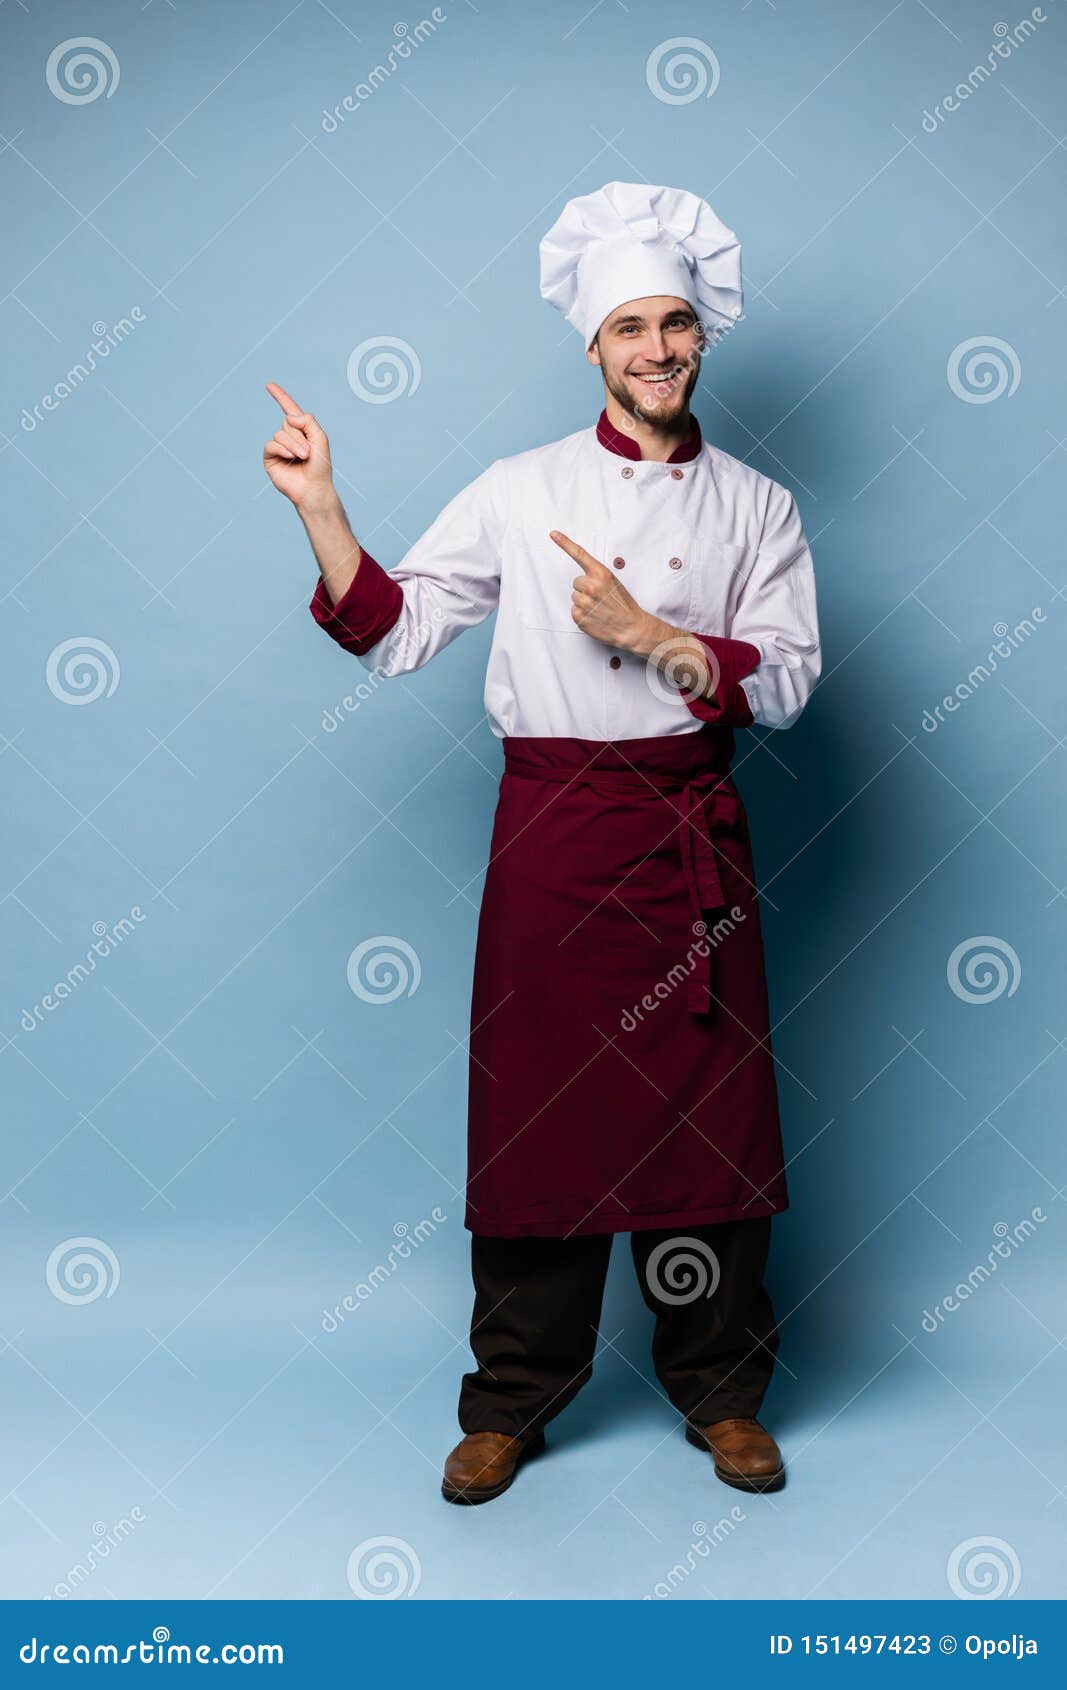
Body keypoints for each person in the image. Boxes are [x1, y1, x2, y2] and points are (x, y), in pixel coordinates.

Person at [263, 181, 821, 1505]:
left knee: (709, 1127)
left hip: (693, 844)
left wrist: (652, 637)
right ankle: (513, 1396)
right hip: (555, 844)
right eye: (630, 324)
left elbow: (792, 679)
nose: (657, 347)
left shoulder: (758, 507)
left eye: (676, 322)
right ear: (593, 345)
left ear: (703, 336)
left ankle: (722, 1386)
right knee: (541, 1129)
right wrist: (323, 509)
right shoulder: (521, 491)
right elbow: (398, 630)